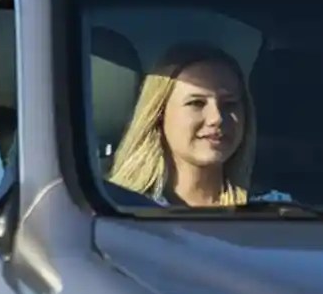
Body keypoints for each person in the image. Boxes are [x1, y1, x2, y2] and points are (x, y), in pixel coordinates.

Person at [107, 42, 289, 206]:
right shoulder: (119, 211)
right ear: (158, 115)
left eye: (230, 104)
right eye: (196, 103)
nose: (216, 118)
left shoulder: (276, 212)